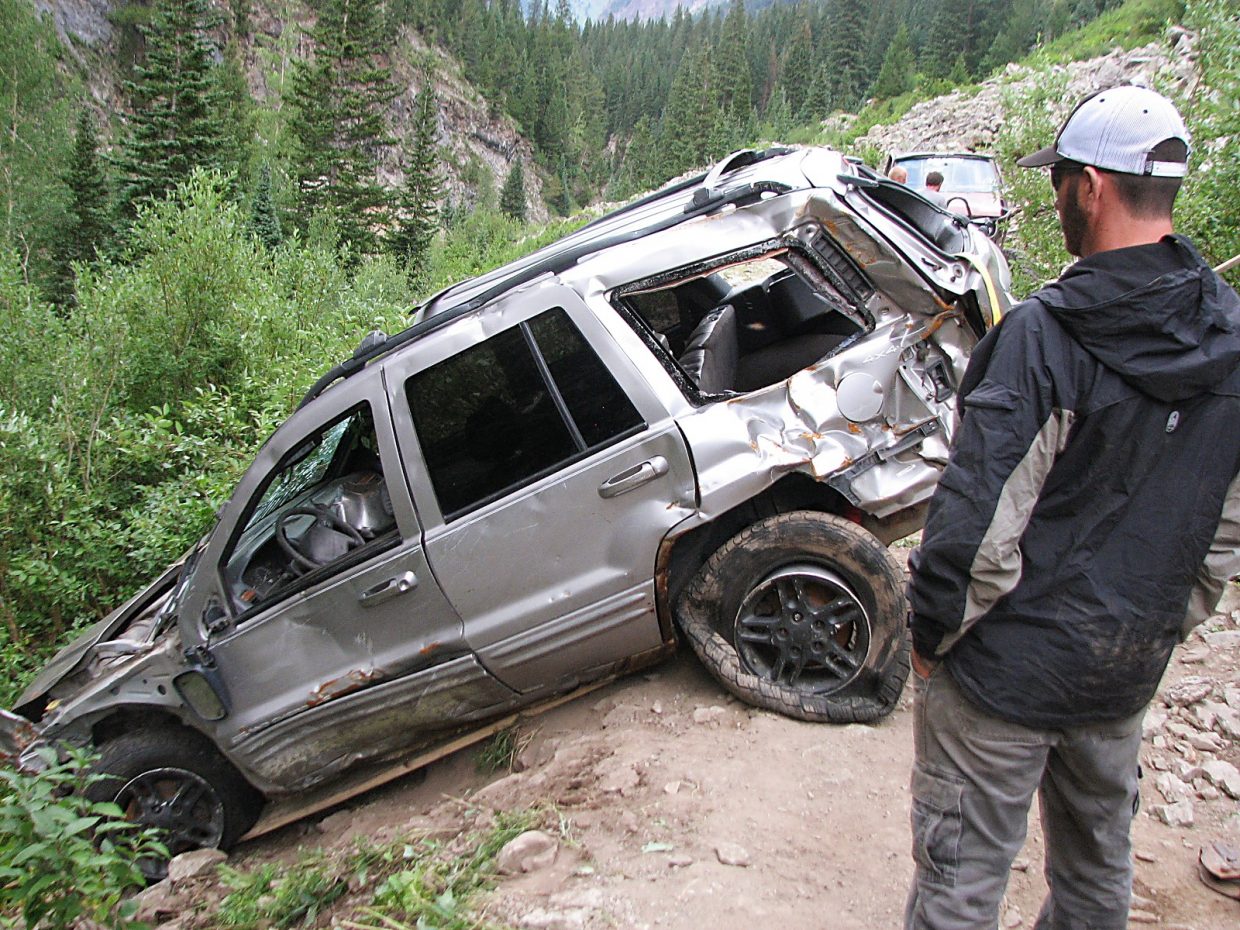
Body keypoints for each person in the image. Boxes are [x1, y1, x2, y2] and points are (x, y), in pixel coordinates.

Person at [904, 85, 1240, 930]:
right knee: (1097, 889)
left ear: (1090, 187)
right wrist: (1154, 623)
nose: (1056, 199)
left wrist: (930, 641)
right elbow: (1223, 535)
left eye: (1060, 182)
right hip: (1121, 678)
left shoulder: (1043, 339)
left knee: (959, 896)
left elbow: (977, 535)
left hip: (1001, 687)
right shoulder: (1230, 339)